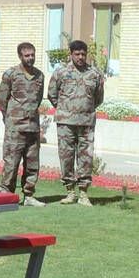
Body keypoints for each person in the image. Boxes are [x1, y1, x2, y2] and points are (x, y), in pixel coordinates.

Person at [47, 39, 105, 205]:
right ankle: (70, 191)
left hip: (86, 122)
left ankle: (84, 194)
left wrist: (85, 109)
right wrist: (65, 108)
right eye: (77, 54)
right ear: (71, 54)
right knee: (66, 157)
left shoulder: (94, 74)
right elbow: (52, 94)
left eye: (83, 54)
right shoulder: (61, 72)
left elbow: (99, 97)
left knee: (86, 158)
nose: (80, 57)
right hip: (66, 122)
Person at [0, 42, 46, 206]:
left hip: (32, 126)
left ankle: (29, 195)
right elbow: (2, 99)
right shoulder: (10, 74)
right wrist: (9, 118)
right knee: (11, 162)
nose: (30, 58)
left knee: (32, 162)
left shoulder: (39, 75)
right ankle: (6, 194)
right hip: (15, 127)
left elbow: (38, 99)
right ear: (20, 56)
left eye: (32, 55)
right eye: (27, 55)